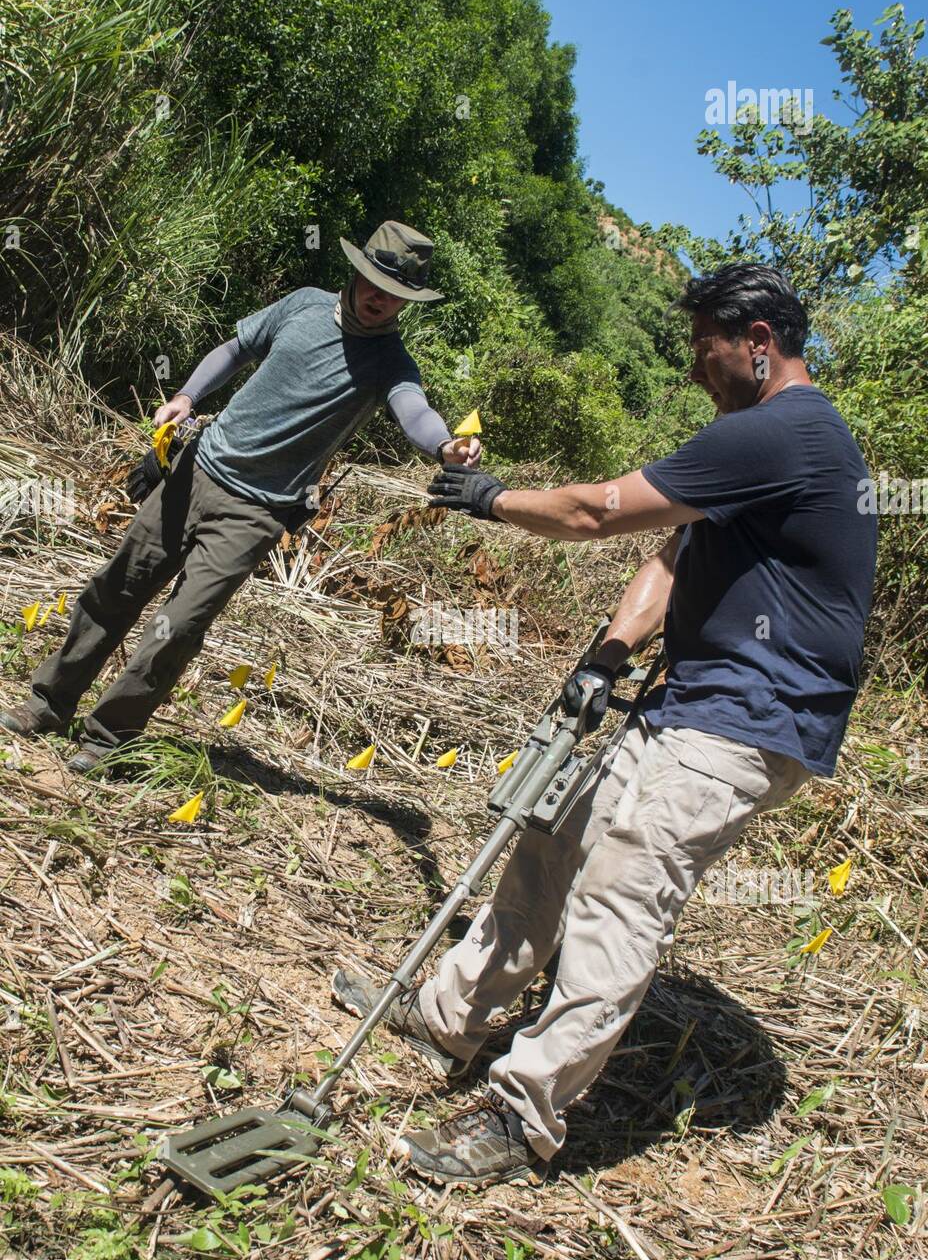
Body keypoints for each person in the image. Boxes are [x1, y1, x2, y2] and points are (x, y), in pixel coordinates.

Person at [333, 263, 878, 1187]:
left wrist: (492, 499)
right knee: (552, 841)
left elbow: (598, 511)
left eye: (705, 349)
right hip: (692, 699)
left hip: (748, 721)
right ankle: (447, 1017)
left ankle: (523, 1113)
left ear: (756, 342)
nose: (697, 369)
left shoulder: (790, 432)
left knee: (619, 893)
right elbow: (675, 551)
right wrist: (609, 654)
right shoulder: (752, 438)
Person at [1, 222, 480, 772]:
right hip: (195, 470)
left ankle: (109, 736)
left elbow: (413, 410)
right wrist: (186, 395)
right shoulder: (302, 305)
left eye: (396, 294)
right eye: (375, 282)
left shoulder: (391, 363)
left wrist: (445, 444)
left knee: (178, 625)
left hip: (256, 511)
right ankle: (48, 704)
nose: (381, 299)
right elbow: (236, 349)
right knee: (117, 588)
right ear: (356, 271)